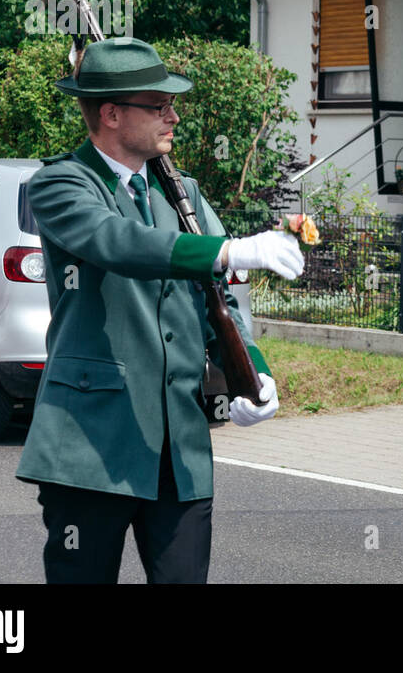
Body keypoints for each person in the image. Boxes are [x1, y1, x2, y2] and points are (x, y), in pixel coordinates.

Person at [16, 37, 306, 583]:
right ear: (110, 113)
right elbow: (117, 242)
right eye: (159, 105)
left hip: (177, 446)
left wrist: (255, 374)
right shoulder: (59, 184)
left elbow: (218, 306)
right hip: (90, 444)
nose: (174, 116)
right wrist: (226, 249)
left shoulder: (183, 194)